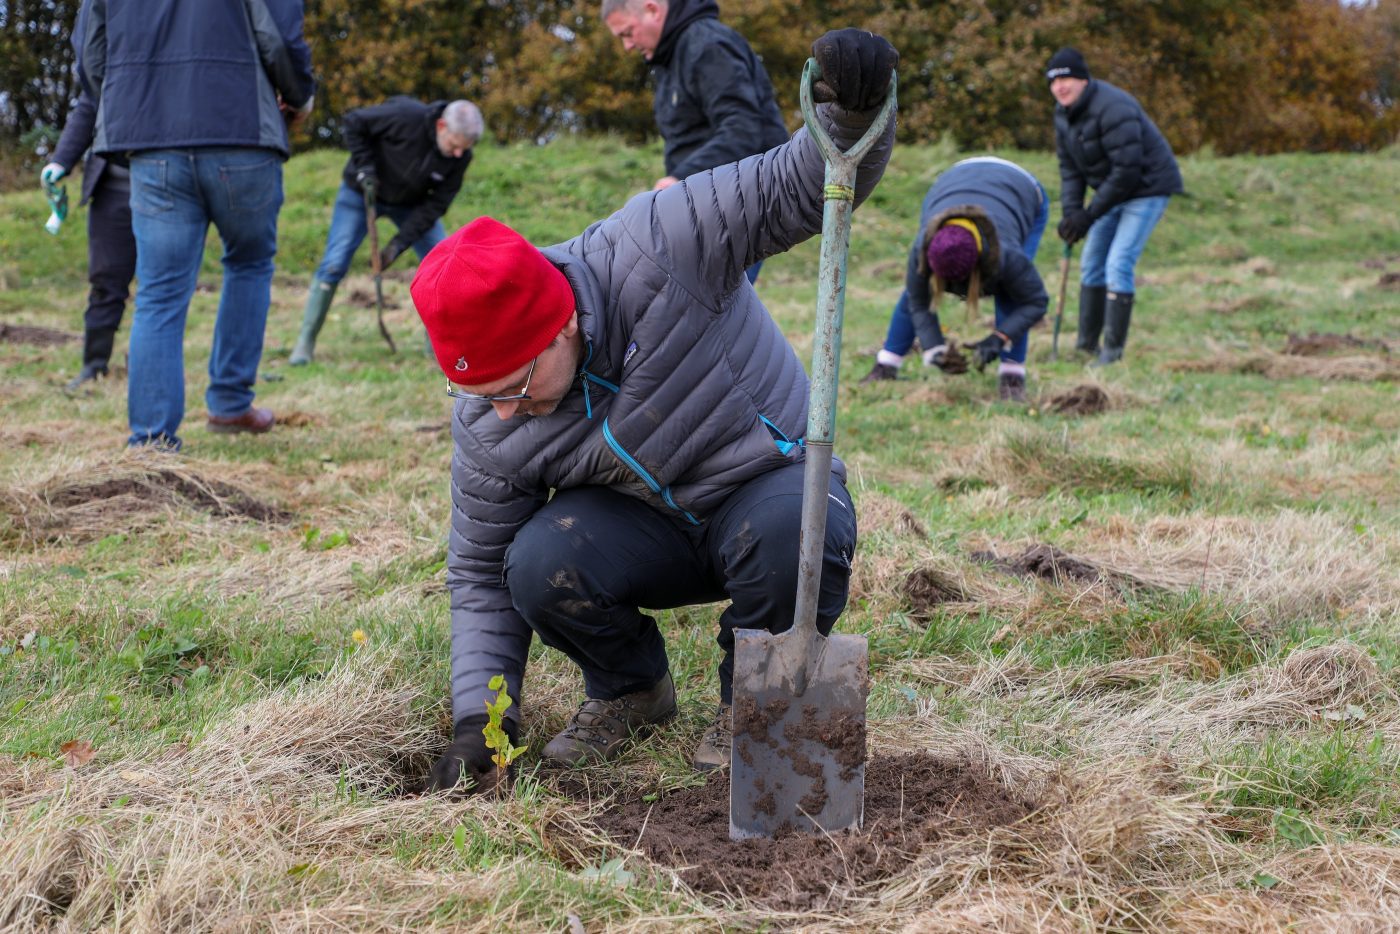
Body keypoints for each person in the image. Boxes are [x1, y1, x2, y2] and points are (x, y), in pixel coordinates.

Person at [412, 29, 897, 793]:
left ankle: (758, 704)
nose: (503, 414)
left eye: (515, 384)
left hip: (764, 483)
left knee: (791, 530)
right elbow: (476, 577)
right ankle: (632, 689)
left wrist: (852, 111)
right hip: (646, 531)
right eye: (480, 395)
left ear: (562, 320)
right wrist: (482, 723)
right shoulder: (488, 421)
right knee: (534, 564)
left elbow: (800, 183)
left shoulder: (662, 242)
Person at [76, 0, 314, 449]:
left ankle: (151, 439)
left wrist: (127, 100)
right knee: (249, 264)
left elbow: (90, 49)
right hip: (241, 132)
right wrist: (299, 96)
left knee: (159, 291)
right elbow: (279, 36)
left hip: (151, 141)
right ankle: (229, 403)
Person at [602, 0, 789, 284]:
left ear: (652, 10)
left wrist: (680, 177)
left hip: (742, 204)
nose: (627, 46)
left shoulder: (707, 45)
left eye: (628, 33)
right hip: (704, 203)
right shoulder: (668, 59)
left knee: (711, 306)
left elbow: (742, 129)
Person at [289, 97, 484, 365]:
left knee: (446, 262)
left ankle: (440, 347)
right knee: (334, 263)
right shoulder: (404, 116)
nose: (458, 154)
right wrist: (365, 167)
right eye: (454, 145)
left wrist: (397, 245)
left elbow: (436, 205)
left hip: (411, 205)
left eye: (464, 148)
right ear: (441, 126)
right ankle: (305, 342)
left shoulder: (460, 157)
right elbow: (354, 122)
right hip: (361, 193)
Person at [860, 157, 1050, 402]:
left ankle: (1012, 378)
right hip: (953, 180)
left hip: (1022, 188)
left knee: (1012, 290)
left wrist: (998, 338)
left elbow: (1035, 301)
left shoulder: (1007, 255)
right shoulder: (923, 249)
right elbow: (918, 300)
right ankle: (886, 366)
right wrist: (934, 348)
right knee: (914, 290)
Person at [1046, 47, 1182, 366]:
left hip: (1147, 188)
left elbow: (1128, 171)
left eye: (1066, 78)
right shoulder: (1063, 115)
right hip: (1114, 191)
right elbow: (1071, 170)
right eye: (1053, 81)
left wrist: (1089, 215)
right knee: (1092, 261)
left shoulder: (1113, 107)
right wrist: (1072, 216)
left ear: (1083, 79)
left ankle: (1112, 353)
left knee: (1118, 262)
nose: (1060, 87)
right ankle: (1086, 346)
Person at [43, 87, 136, 393]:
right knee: (105, 279)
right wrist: (61, 161)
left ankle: (146, 365)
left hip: (171, 179)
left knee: (160, 286)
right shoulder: (109, 44)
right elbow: (90, 102)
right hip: (112, 183)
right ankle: (94, 365)